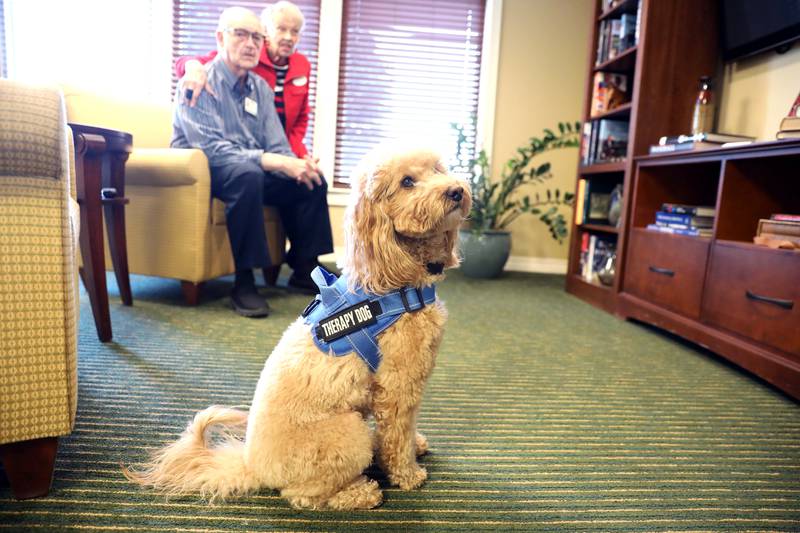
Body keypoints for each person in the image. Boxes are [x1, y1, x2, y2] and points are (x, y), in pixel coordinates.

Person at [171, 6, 333, 318]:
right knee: (248, 175)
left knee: (310, 180)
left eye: (257, 37)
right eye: (241, 34)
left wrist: (297, 164)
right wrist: (273, 161)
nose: (250, 44)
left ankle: (304, 267)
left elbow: (276, 143)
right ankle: (244, 281)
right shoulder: (199, 83)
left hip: (250, 166)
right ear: (220, 38)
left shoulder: (260, 88)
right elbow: (211, 149)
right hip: (208, 168)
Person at [175, 1, 312, 159]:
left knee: (313, 181)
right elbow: (207, 63)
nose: (288, 37)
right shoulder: (247, 56)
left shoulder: (302, 65)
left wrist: (297, 156)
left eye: (295, 31)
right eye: (281, 29)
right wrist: (193, 67)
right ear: (267, 32)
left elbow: (302, 116)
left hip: (278, 145)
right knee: (250, 174)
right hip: (250, 151)